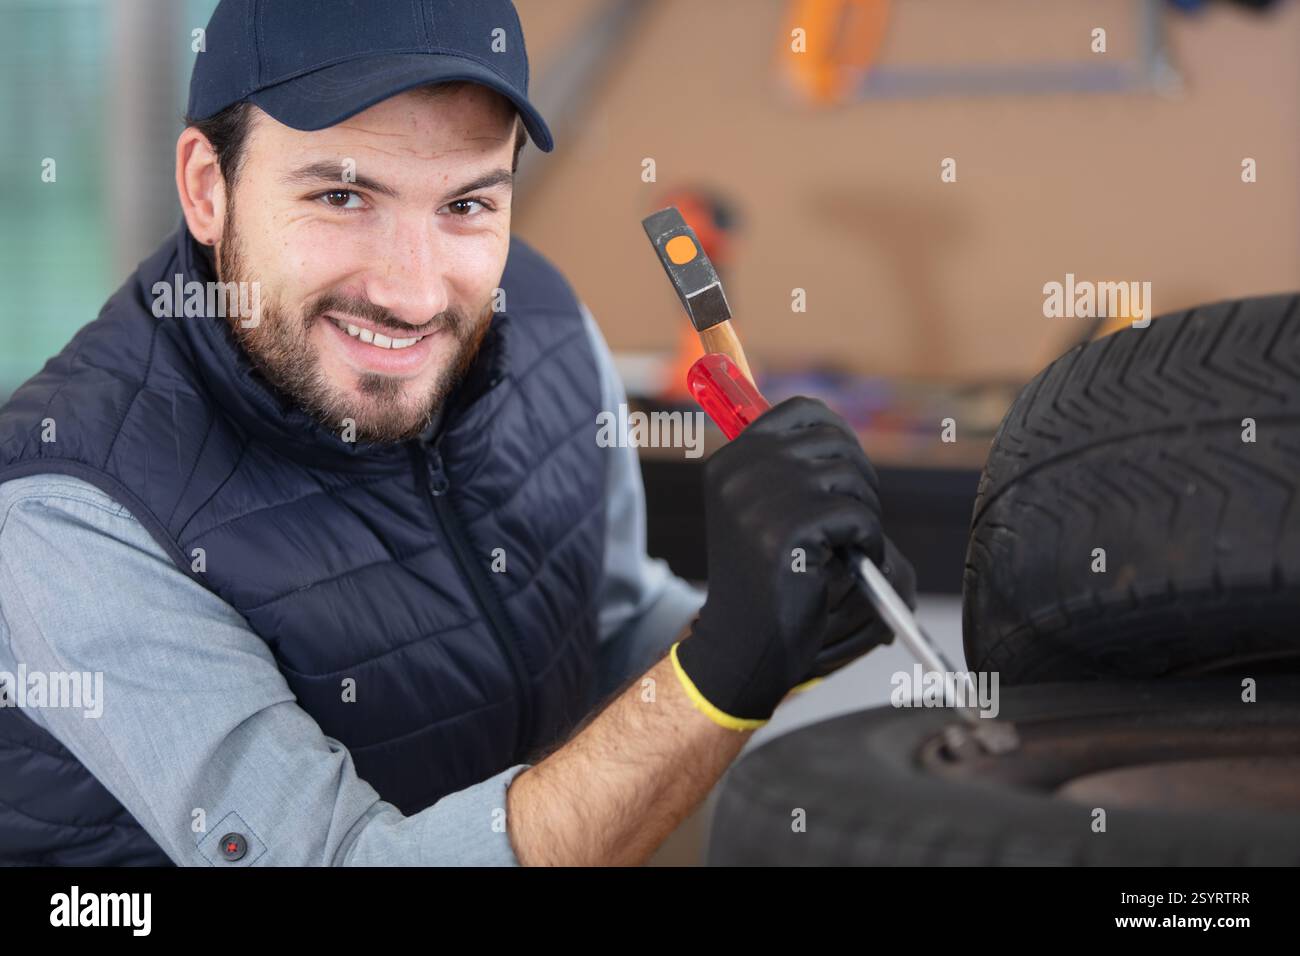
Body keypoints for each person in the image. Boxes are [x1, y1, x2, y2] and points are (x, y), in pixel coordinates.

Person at [0, 0, 913, 866]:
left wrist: (776, 624)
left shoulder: (547, 322)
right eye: (343, 198)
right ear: (208, 188)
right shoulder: (72, 513)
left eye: (468, 204)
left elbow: (602, 627)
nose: (415, 294)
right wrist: (715, 678)